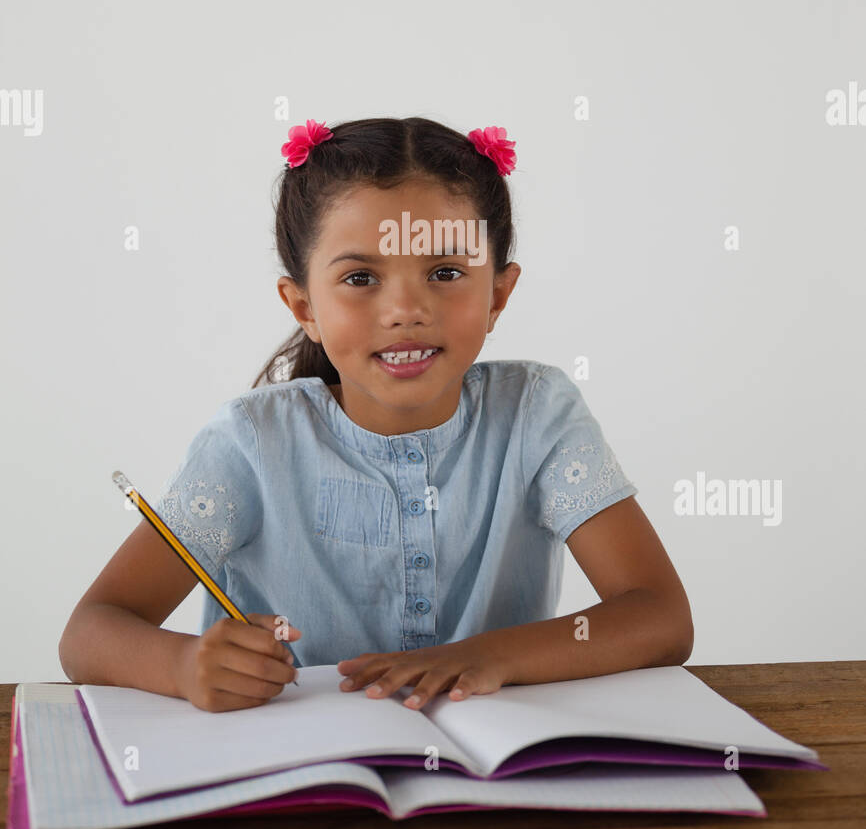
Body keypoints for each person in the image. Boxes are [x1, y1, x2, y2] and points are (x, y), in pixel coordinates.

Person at [59, 116, 693, 713]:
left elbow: (660, 616)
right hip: (298, 778)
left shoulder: (538, 414)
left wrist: (488, 655)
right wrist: (184, 666)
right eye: (361, 279)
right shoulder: (252, 444)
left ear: (499, 294)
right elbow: (90, 632)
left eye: (446, 270)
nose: (405, 310)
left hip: (492, 787)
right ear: (303, 304)